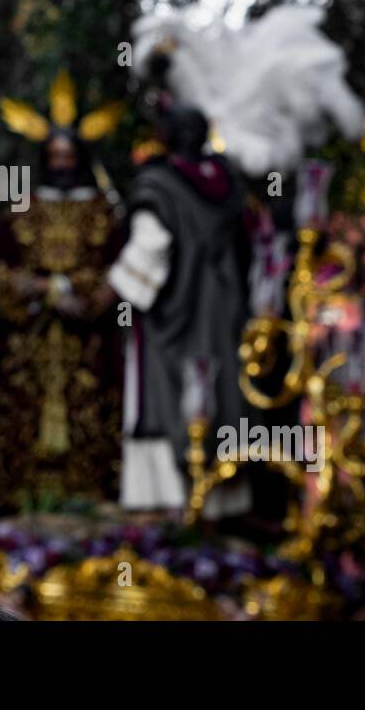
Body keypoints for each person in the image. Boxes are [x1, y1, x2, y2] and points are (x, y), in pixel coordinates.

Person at [107, 104, 249, 514]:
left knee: (168, 391)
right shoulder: (228, 181)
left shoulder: (159, 185)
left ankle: (171, 502)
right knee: (220, 388)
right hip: (222, 308)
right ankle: (221, 501)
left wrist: (114, 289)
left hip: (173, 312)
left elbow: (150, 247)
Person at [0, 125, 123, 509]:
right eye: (55, 157)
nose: (62, 165)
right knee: (22, 405)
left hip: (85, 334)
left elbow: (115, 270)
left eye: (68, 157)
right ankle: (20, 493)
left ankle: (87, 492)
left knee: (89, 405)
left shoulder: (103, 212)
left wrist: (77, 293)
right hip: (30, 332)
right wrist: (41, 290)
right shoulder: (22, 209)